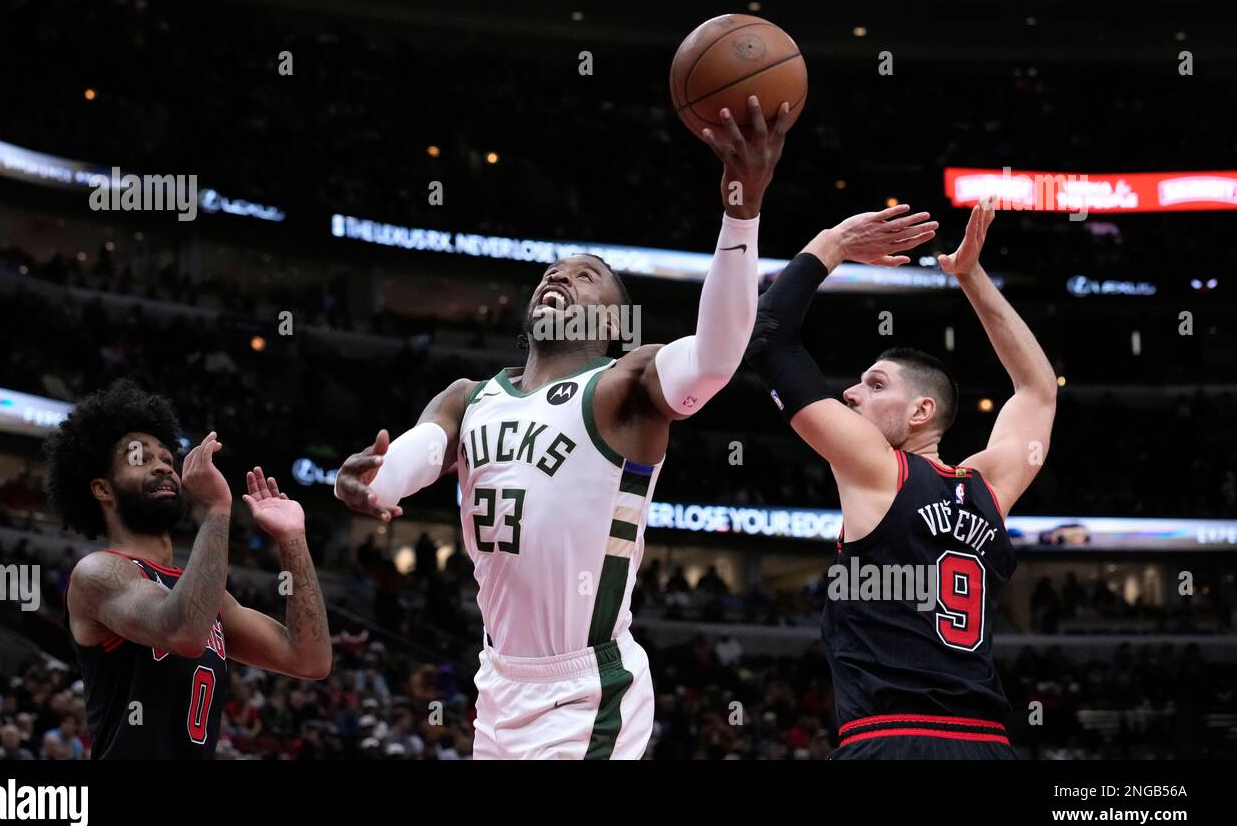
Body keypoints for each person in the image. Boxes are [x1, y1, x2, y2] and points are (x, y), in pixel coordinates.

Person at [335, 97, 794, 759]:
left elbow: (718, 356)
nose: (561, 277)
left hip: (587, 689)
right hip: (497, 684)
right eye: (556, 272)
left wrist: (741, 213)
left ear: (610, 324)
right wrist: (373, 483)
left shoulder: (623, 388)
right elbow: (414, 455)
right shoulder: (469, 398)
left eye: (588, 277)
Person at [748, 199, 1057, 758]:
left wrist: (834, 242)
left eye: (875, 384)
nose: (851, 392)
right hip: (987, 745)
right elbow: (1037, 391)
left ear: (919, 413)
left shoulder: (876, 466)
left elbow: (768, 337)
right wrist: (972, 277)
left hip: (891, 740)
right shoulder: (989, 490)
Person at [45, 381, 332, 759]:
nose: (163, 466)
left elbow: (309, 659)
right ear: (103, 489)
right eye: (140, 458)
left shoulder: (211, 598)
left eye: (166, 457)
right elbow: (182, 632)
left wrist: (292, 539)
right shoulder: (97, 573)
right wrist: (216, 510)